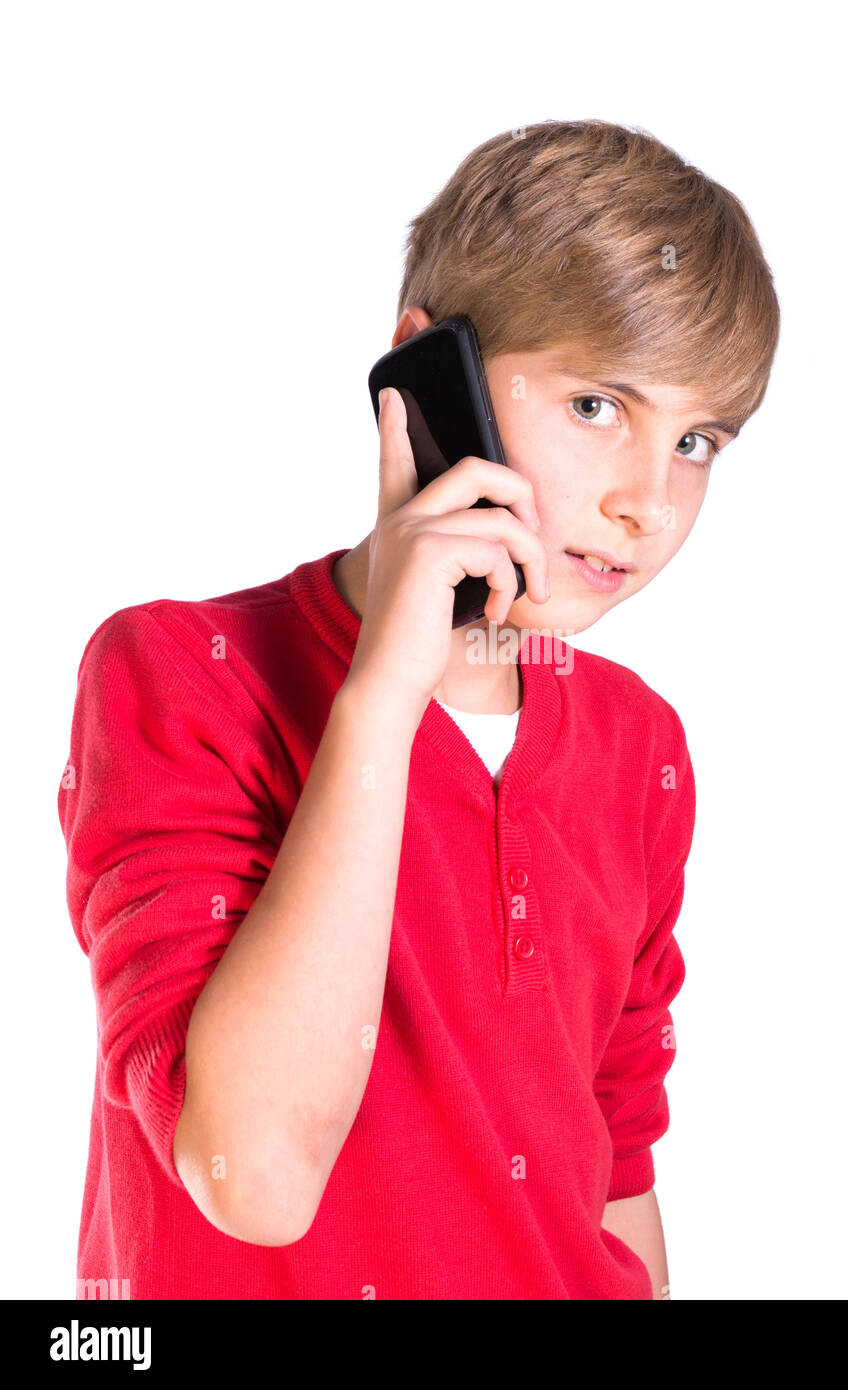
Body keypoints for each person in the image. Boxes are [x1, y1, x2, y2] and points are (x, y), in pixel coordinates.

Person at [58, 118, 780, 1300]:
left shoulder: (638, 746)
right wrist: (386, 693)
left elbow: (615, 1169)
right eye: (598, 407)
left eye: (696, 440)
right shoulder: (175, 674)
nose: (648, 503)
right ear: (422, 380)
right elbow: (255, 1174)